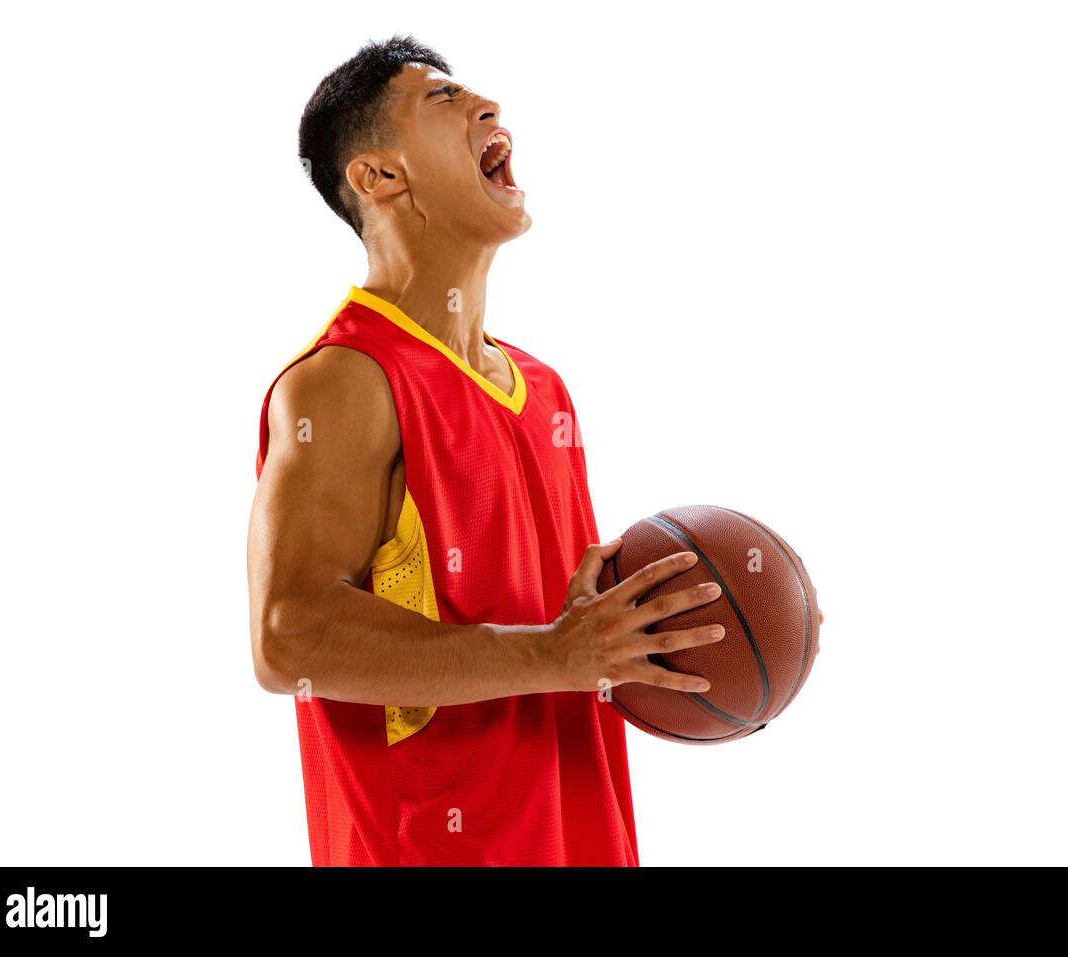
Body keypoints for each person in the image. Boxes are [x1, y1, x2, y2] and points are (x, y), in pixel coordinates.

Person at [247, 36, 726, 866]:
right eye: (442, 99)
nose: (488, 107)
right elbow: (288, 638)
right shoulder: (342, 384)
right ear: (380, 176)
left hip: (579, 834)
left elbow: (583, 644)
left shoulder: (544, 389)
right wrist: (553, 653)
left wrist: (719, 625)